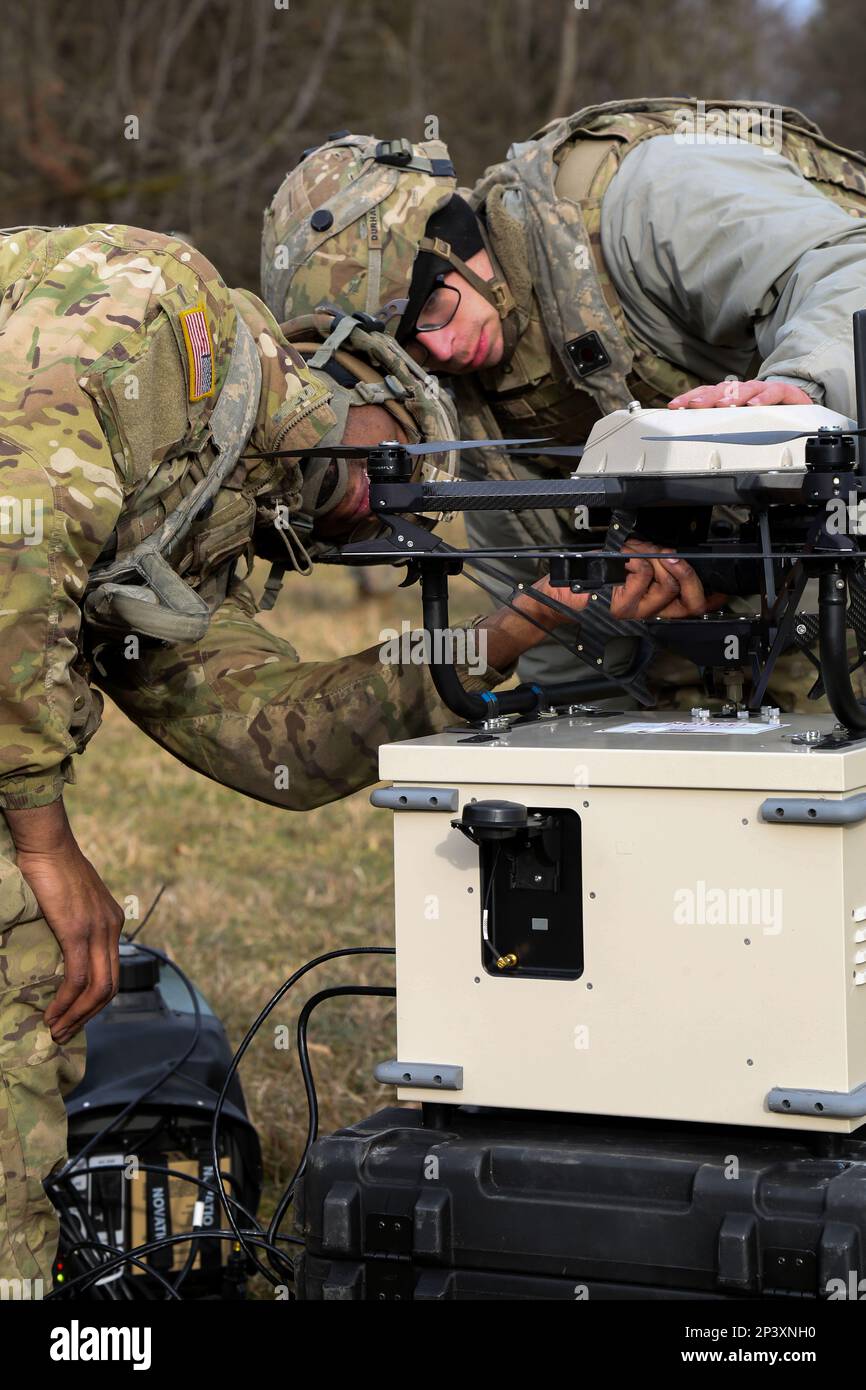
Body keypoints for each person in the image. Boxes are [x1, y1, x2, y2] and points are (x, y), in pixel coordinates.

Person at [0, 222, 713, 1286]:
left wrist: (508, 633)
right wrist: (47, 843)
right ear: (339, 387)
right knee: (22, 951)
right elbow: (16, 537)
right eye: (397, 455)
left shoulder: (200, 522)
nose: (385, 508)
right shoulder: (160, 309)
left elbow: (275, 737)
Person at [261, 98, 866, 705]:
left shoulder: (645, 198)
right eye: (409, 352)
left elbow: (843, 271)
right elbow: (558, 637)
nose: (442, 347)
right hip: (773, 618)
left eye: (430, 307)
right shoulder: (470, 409)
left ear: (451, 235)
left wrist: (800, 393)